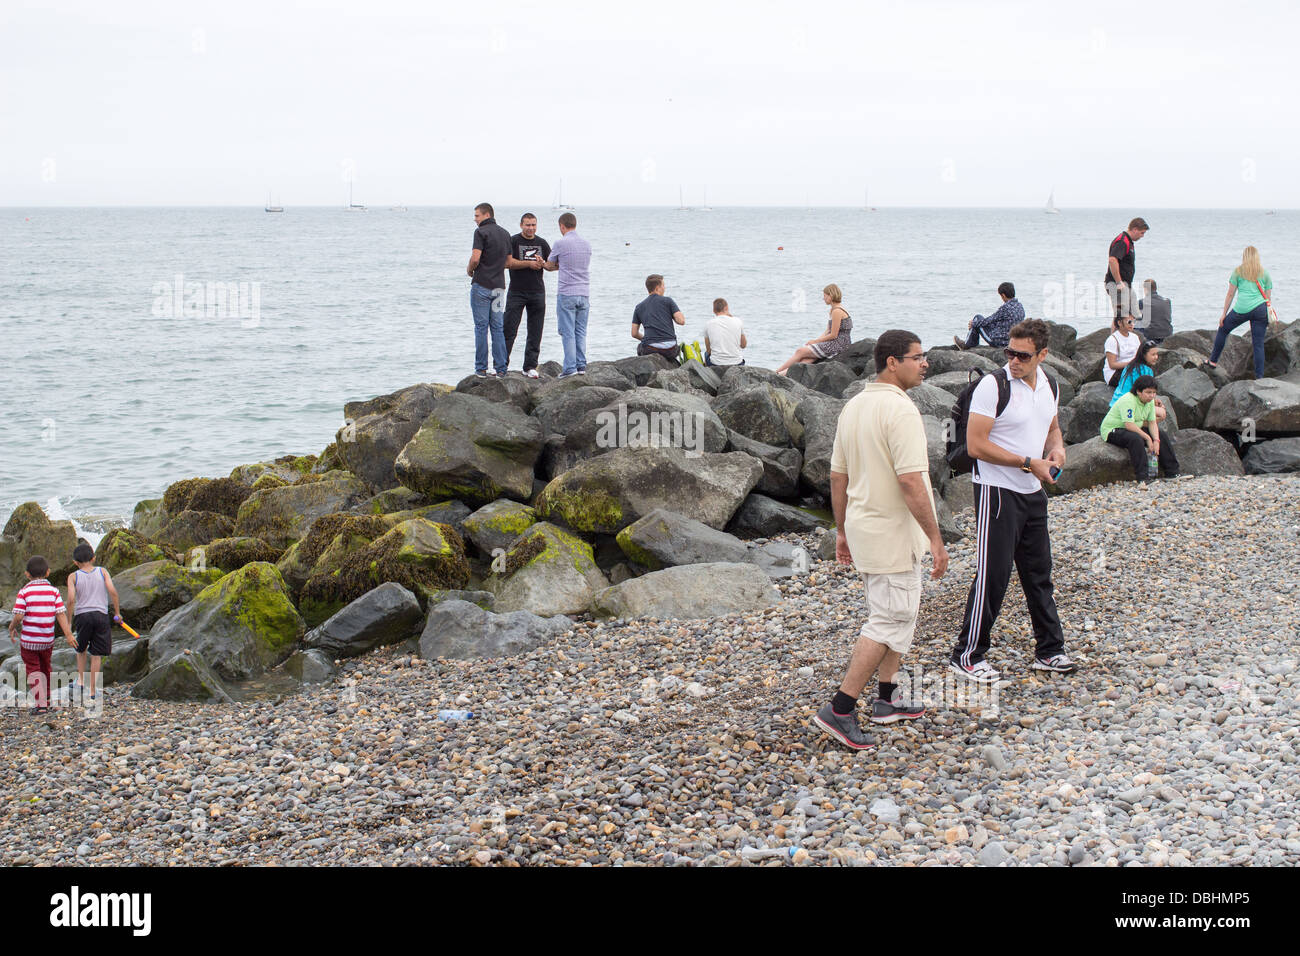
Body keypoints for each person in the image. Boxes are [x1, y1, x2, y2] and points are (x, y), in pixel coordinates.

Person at [814, 330, 949, 749]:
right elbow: (911, 481)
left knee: (897, 612)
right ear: (892, 362)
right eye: (917, 357)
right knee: (889, 618)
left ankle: (887, 699)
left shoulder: (854, 405)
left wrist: (841, 530)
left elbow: (838, 476)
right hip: (891, 532)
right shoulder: (901, 411)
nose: (924, 363)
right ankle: (840, 707)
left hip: (864, 526)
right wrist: (936, 538)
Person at [949, 318, 1075, 684]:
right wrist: (1026, 462)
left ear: (1042, 355)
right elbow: (976, 445)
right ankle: (967, 655)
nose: (1013, 361)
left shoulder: (1049, 383)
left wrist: (1057, 450)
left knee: (1039, 574)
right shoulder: (993, 385)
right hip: (997, 491)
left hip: (1033, 492)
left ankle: (1050, 651)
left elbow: (1051, 427)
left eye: (1022, 355)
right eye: (1009, 352)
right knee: (993, 575)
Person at [8, 555, 75, 714]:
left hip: (29, 641)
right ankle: (48, 699)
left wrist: (12, 627)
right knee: (46, 668)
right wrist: (68, 634)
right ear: (48, 572)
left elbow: (18, 615)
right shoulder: (54, 592)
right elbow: (60, 614)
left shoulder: (24, 592)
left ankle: (41, 704)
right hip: (47, 640)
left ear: (27, 574)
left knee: (33, 670)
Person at [1204, 245, 1275, 379]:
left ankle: (1213, 361)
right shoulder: (1264, 273)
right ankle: (1259, 377)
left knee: (1223, 330)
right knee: (1258, 343)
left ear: (1244, 257)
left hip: (1242, 309)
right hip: (1260, 309)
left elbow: (1230, 294)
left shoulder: (1238, 272)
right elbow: (1268, 296)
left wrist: (1224, 314)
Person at [66, 542, 121, 705]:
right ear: (94, 558)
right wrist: (117, 612)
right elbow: (112, 591)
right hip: (100, 615)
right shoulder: (102, 571)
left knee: (81, 648)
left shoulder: (73, 576)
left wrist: (68, 622)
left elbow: (70, 600)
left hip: (82, 615)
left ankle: (81, 681)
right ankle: (92, 691)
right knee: (96, 654)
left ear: (75, 562)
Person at [541, 212, 592, 378]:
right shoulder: (586, 244)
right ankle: (581, 365)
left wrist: (542, 263)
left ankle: (570, 367)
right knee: (581, 331)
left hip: (567, 292)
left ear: (562, 226)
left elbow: (550, 265)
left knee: (568, 332)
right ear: (575, 224)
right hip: (584, 293)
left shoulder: (560, 243)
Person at [1100, 375, 1180, 481]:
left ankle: (1172, 472)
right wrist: (1147, 438)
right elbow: (1129, 424)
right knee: (1135, 439)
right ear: (1138, 391)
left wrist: (1156, 440)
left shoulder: (1150, 401)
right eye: (1148, 392)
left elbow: (1152, 423)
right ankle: (1143, 477)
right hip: (1113, 429)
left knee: (1161, 435)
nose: (1152, 396)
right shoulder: (1128, 400)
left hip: (1133, 427)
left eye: (1153, 392)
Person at [466, 202, 512, 378]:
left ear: (486, 215)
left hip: (482, 286)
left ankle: (481, 369)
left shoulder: (480, 232)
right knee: (498, 328)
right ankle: (501, 368)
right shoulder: (505, 233)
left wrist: (469, 269)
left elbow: (475, 258)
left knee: (481, 328)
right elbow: (508, 262)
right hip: (499, 288)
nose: (475, 219)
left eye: (477, 215)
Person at [503, 213, 551, 378]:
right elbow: (507, 263)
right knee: (509, 329)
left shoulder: (542, 243)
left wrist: (542, 263)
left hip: (537, 292)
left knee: (535, 330)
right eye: (528, 225)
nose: (531, 228)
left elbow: (551, 265)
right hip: (516, 291)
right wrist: (529, 264)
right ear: (521, 225)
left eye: (533, 225)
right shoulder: (513, 241)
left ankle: (530, 366)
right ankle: (501, 365)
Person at [775, 284, 852, 375]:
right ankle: (782, 374)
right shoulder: (833, 310)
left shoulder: (837, 311)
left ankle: (776, 372)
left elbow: (833, 335)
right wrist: (816, 342)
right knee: (808, 359)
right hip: (836, 342)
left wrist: (816, 341)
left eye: (825, 296)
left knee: (800, 351)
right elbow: (827, 331)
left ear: (831, 295)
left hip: (838, 344)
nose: (823, 299)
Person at [1104, 217, 1149, 322]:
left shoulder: (1129, 242)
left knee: (1131, 315)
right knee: (1121, 318)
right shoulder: (1122, 241)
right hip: (1117, 285)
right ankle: (1116, 338)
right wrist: (1119, 282)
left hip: (1126, 284)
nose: (1142, 236)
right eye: (1142, 233)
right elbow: (1112, 260)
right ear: (1134, 229)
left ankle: (1129, 336)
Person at [631, 274, 685, 361]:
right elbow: (681, 321)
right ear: (657, 288)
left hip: (650, 349)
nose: (664, 288)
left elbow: (634, 333)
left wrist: (645, 339)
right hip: (670, 349)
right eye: (663, 286)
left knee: (640, 347)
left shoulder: (639, 307)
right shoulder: (668, 301)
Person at [954, 282, 1022, 350]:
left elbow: (989, 320)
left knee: (977, 318)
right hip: (1010, 341)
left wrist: (973, 324)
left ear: (1003, 295)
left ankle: (967, 345)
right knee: (979, 321)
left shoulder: (1006, 308)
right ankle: (971, 343)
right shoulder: (1020, 307)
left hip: (998, 341)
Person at [1103, 313, 1141, 388]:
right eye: (1129, 322)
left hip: (1131, 369)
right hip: (1114, 373)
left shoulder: (1135, 337)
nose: (1132, 324)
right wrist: (1131, 363)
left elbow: (1139, 355)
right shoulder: (1112, 340)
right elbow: (1112, 365)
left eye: (1134, 321)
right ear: (1119, 323)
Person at [704, 298, 746, 367]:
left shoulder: (708, 324)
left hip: (716, 363)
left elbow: (709, 350)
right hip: (737, 362)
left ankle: (708, 373)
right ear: (726, 308)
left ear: (714, 310)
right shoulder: (738, 321)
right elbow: (743, 345)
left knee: (706, 354)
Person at [1136, 278, 1172, 344]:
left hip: (1152, 335)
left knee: (1134, 323)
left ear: (1145, 289)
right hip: (1167, 334)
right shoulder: (1167, 301)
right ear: (1155, 288)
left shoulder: (1142, 302)